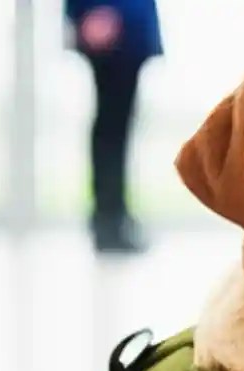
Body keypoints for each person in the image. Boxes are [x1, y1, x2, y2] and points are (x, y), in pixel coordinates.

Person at [65, 0, 163, 253]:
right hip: (109, 21)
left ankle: (115, 216)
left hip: (127, 24)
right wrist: (89, 10)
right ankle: (107, 220)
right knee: (110, 131)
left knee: (117, 129)